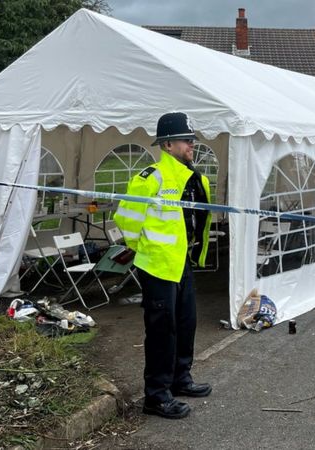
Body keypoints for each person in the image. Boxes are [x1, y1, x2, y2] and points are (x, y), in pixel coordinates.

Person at [114, 112, 213, 420]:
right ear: (168, 145)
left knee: (186, 323)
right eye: (186, 140)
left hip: (181, 263)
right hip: (157, 266)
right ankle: (156, 395)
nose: (192, 145)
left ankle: (180, 379)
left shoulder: (194, 178)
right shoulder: (151, 177)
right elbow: (126, 219)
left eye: (193, 140)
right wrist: (144, 249)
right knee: (161, 331)